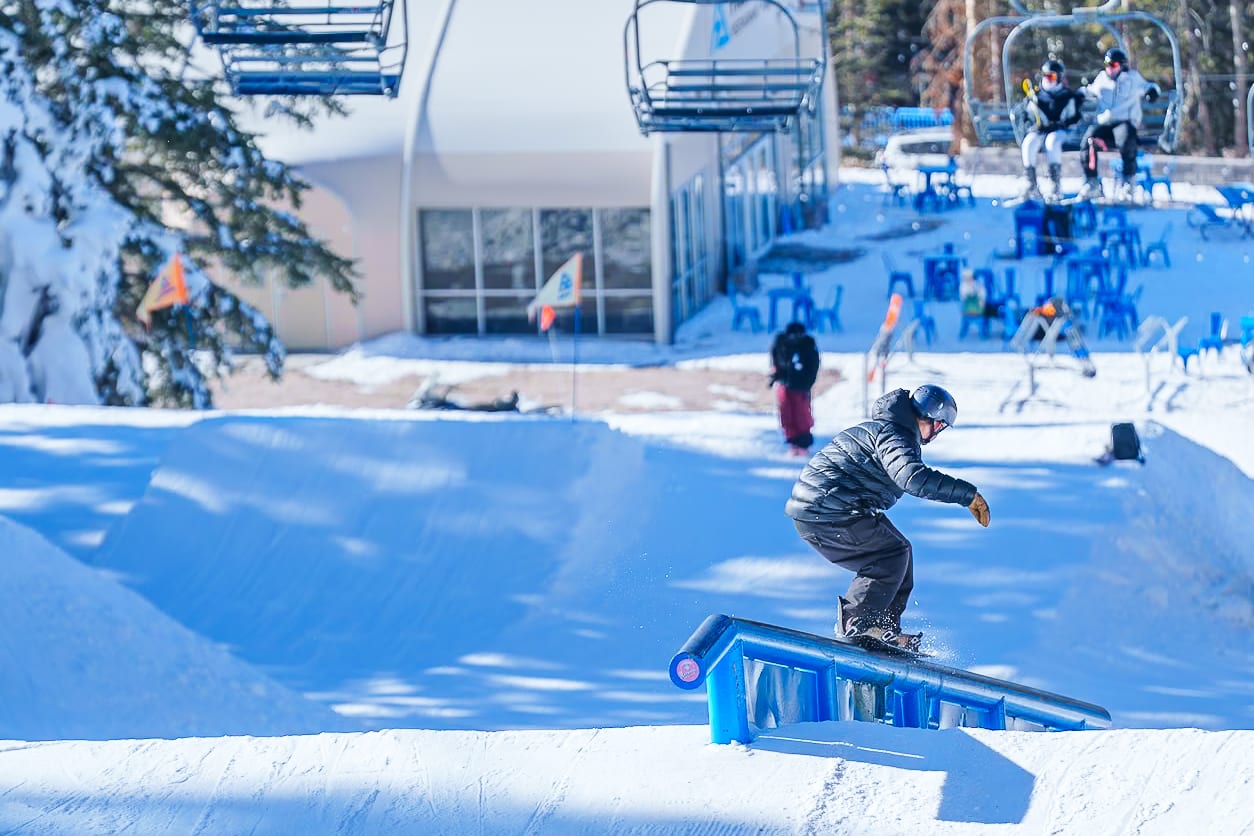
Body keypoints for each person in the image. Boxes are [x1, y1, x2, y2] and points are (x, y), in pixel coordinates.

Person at [785, 385, 990, 650]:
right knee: (888, 554)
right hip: (827, 510)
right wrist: (967, 495)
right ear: (930, 420)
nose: (936, 434)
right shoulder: (895, 435)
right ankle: (858, 622)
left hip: (830, 508)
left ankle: (883, 628)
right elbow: (913, 478)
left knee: (900, 550)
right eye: (939, 427)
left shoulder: (891, 429)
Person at [1076, 47, 1161, 202]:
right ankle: (1092, 182)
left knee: (1126, 140)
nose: (1110, 69)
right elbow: (1090, 90)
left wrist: (1152, 92)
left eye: (1114, 65)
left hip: (1125, 122)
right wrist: (1079, 94)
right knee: (1088, 141)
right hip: (1105, 123)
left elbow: (1149, 86)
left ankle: (1128, 182)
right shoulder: (1102, 78)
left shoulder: (1132, 78)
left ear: (1122, 65)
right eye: (1107, 65)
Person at [1019, 58, 1084, 202]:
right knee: (1029, 143)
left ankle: (1055, 183)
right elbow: (1027, 117)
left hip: (1060, 132)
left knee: (1052, 142)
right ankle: (1030, 183)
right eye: (1045, 76)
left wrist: (1060, 124)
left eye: (1052, 76)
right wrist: (1034, 125)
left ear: (1059, 77)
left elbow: (1073, 118)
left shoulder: (1067, 96)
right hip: (1040, 131)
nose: (1048, 79)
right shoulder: (1036, 96)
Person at [769, 321, 820, 456]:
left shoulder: (807, 346)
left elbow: (812, 367)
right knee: (786, 413)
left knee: (801, 414)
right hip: (785, 384)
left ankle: (803, 443)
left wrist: (807, 383)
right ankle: (792, 442)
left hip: (801, 386)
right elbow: (776, 361)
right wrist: (777, 375)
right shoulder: (781, 345)